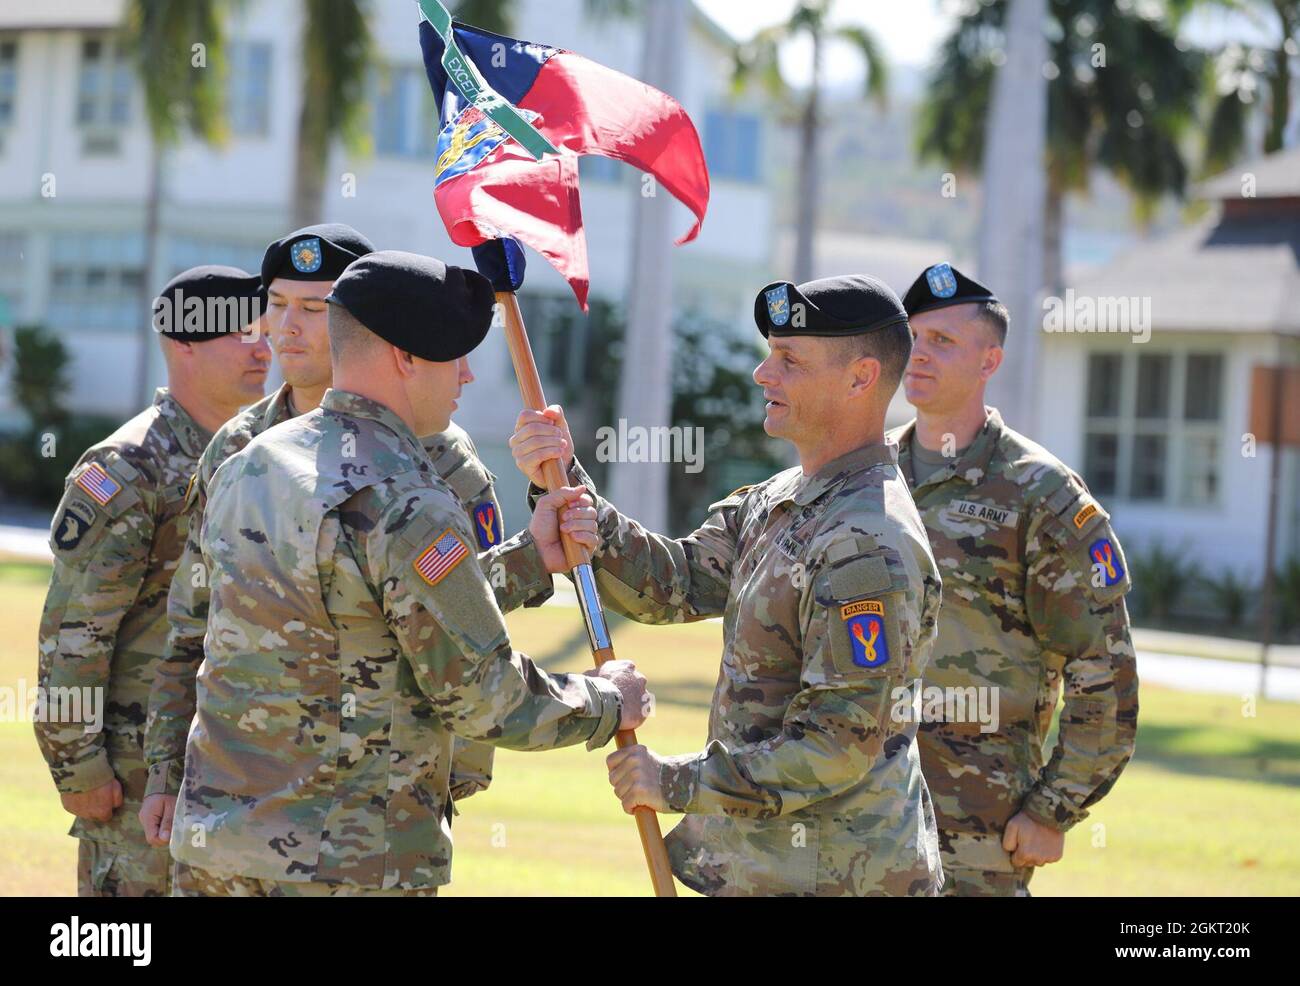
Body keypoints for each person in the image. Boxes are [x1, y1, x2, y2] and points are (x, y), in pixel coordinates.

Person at [164, 250, 647, 896]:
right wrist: (607, 700)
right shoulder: (407, 498)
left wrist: (531, 561)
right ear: (405, 357)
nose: (468, 375)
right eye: (455, 355)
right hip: (345, 862)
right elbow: (483, 697)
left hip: (217, 850)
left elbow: (352, 615)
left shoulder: (248, 463)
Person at [511, 275, 944, 896]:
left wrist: (676, 782)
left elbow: (837, 745)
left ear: (860, 378)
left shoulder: (868, 541)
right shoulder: (779, 499)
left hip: (836, 879)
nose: (763, 374)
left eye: (790, 360)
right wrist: (564, 482)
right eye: (770, 354)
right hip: (761, 872)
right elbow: (673, 582)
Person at [141, 225, 503, 843]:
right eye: (277, 305)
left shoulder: (438, 454)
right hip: (244, 791)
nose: (287, 328)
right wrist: (163, 772)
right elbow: (193, 624)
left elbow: (477, 611)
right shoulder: (237, 447)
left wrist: (455, 778)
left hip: (380, 797)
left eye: (314, 309)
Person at [893, 262, 1139, 896]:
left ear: (989, 361)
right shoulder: (868, 475)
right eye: (912, 337)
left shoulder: (1040, 493)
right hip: (861, 824)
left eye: (942, 340)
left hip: (978, 837)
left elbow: (1103, 668)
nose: (919, 353)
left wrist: (1054, 809)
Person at [34, 266, 270, 895]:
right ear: (183, 343)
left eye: (264, 333)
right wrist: (78, 766)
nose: (262, 349)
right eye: (242, 335)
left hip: (234, 763)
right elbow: (73, 634)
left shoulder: (260, 457)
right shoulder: (130, 466)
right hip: (136, 775)